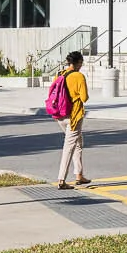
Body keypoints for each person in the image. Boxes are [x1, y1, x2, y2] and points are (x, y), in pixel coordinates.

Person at [53, 50, 91, 189]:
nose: (82, 65)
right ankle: (61, 180)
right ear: (78, 63)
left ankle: (79, 174)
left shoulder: (59, 74)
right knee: (69, 147)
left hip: (60, 115)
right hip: (74, 116)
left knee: (78, 142)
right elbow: (84, 97)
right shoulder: (79, 76)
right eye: (81, 63)